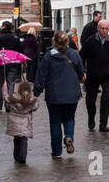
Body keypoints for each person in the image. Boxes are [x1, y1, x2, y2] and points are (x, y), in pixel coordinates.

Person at [33, 31, 86, 159]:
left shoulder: (48, 57)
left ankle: (57, 152)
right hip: (72, 94)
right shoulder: (74, 54)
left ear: (54, 42)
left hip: (54, 95)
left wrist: (36, 92)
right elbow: (81, 74)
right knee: (69, 118)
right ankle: (68, 136)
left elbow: (41, 76)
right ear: (66, 42)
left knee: (55, 122)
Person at [81, 19, 109, 132]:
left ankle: (103, 123)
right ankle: (91, 119)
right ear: (98, 29)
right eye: (103, 28)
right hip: (92, 74)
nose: (105, 31)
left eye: (107, 28)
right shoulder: (90, 42)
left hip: (108, 75)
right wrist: (82, 71)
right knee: (90, 100)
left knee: (106, 98)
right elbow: (81, 56)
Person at [4, 78, 39, 164]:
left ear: (18, 89)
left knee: (16, 139)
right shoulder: (30, 100)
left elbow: (5, 97)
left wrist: (4, 87)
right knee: (24, 139)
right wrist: (32, 96)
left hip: (14, 123)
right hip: (25, 124)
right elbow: (36, 106)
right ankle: (22, 157)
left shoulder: (13, 97)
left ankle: (16, 157)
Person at [0, 22, 22, 111]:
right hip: (13, 63)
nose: (1, 27)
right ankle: (9, 104)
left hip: (1, 63)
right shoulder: (15, 38)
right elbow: (20, 51)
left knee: (0, 84)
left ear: (4, 27)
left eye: (2, 25)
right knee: (11, 83)